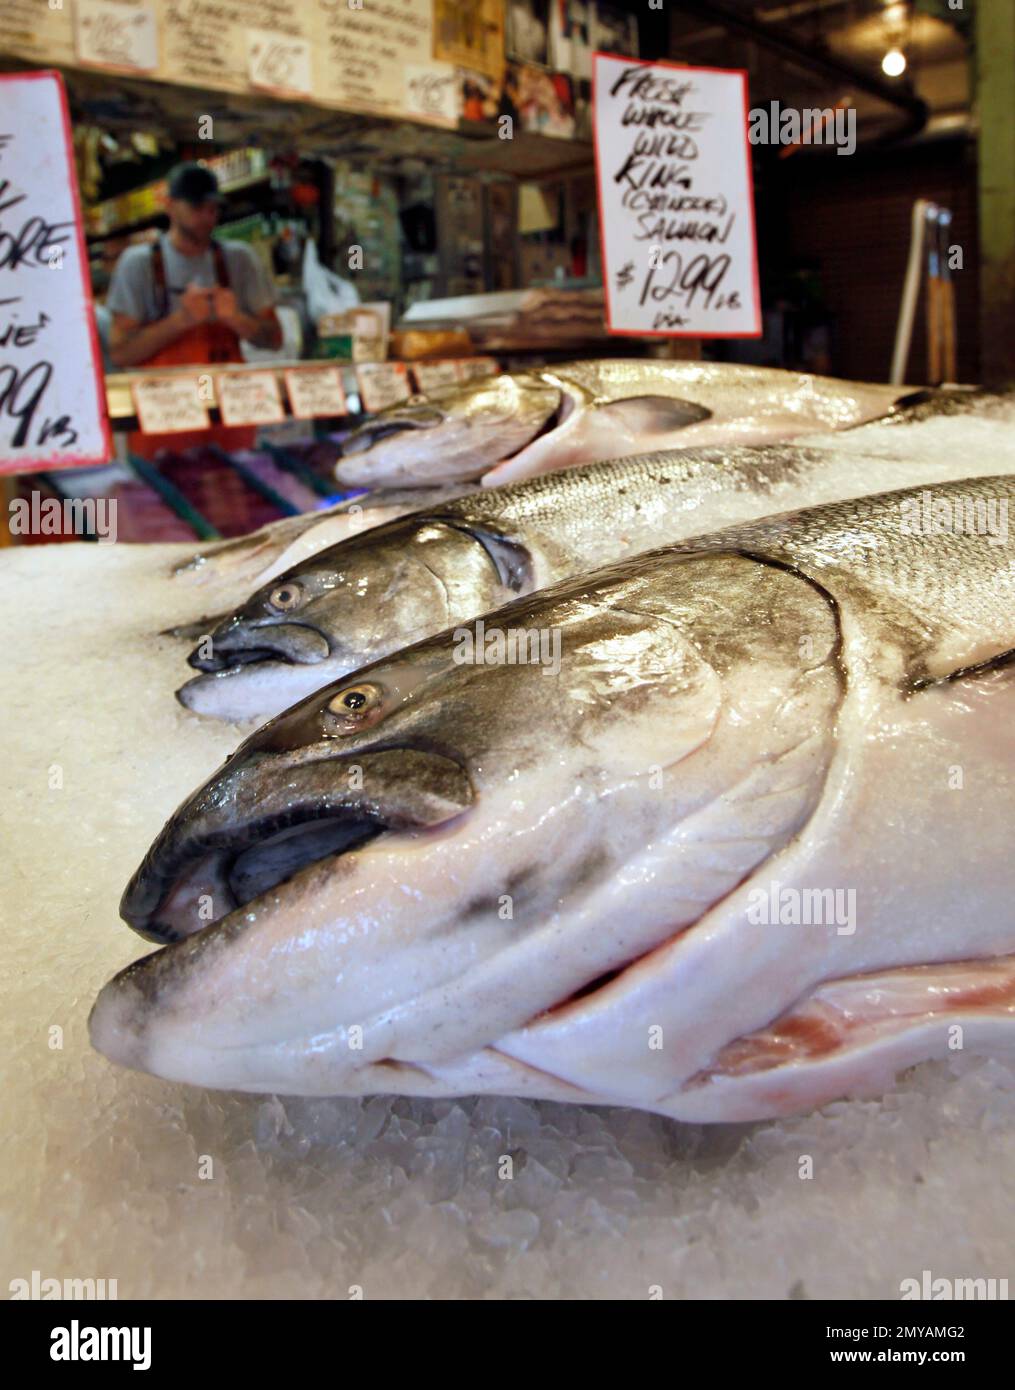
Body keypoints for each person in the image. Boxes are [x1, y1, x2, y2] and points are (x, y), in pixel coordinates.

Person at [106, 162, 282, 455]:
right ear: (170, 205)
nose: (207, 216)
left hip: (228, 417)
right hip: (164, 416)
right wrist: (182, 320)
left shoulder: (240, 259)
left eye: (213, 208)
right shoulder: (138, 264)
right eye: (197, 207)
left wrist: (236, 319)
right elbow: (121, 352)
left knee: (239, 492)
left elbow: (274, 339)